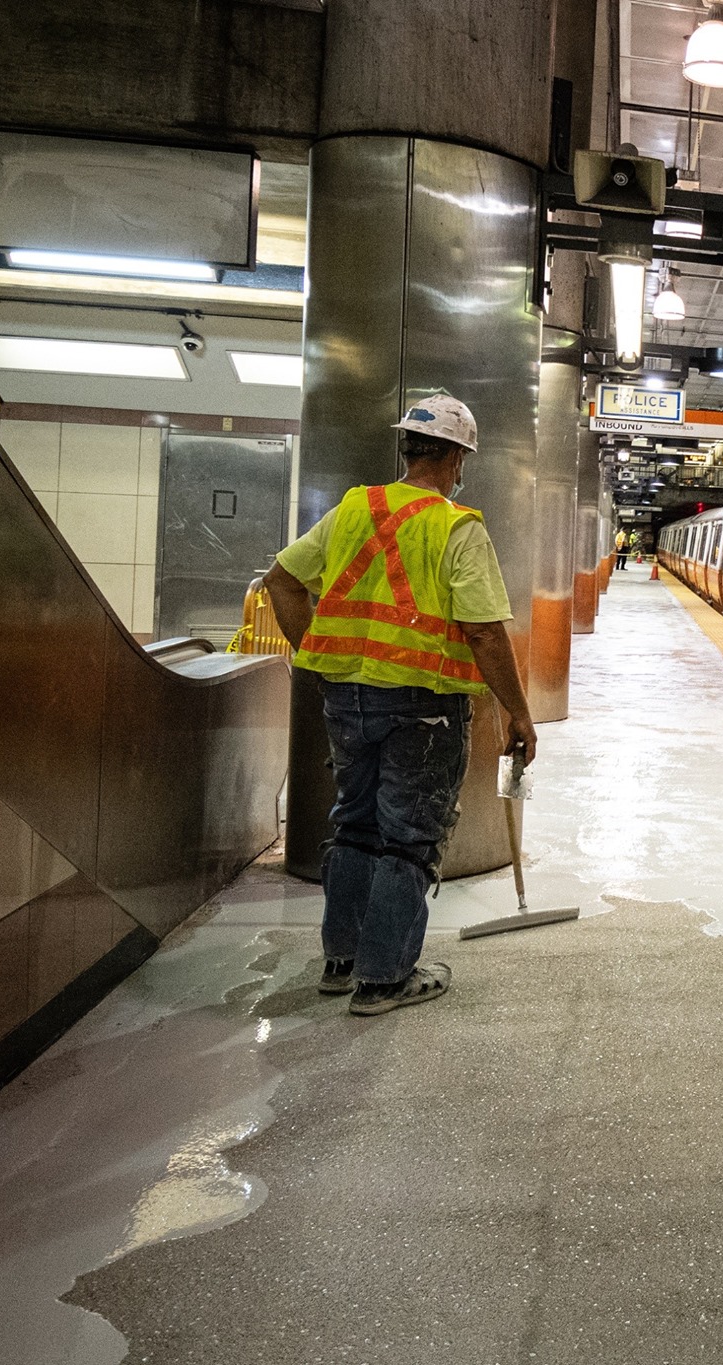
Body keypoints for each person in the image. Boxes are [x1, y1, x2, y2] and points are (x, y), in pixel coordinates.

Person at [262, 394, 538, 1016]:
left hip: (345, 700)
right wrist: (518, 713)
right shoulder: (458, 526)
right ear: (459, 457)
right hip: (424, 707)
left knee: (355, 826)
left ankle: (342, 960)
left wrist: (319, 652)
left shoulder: (353, 509)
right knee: (408, 840)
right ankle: (385, 979)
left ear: (408, 449)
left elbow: (280, 580)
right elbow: (486, 631)